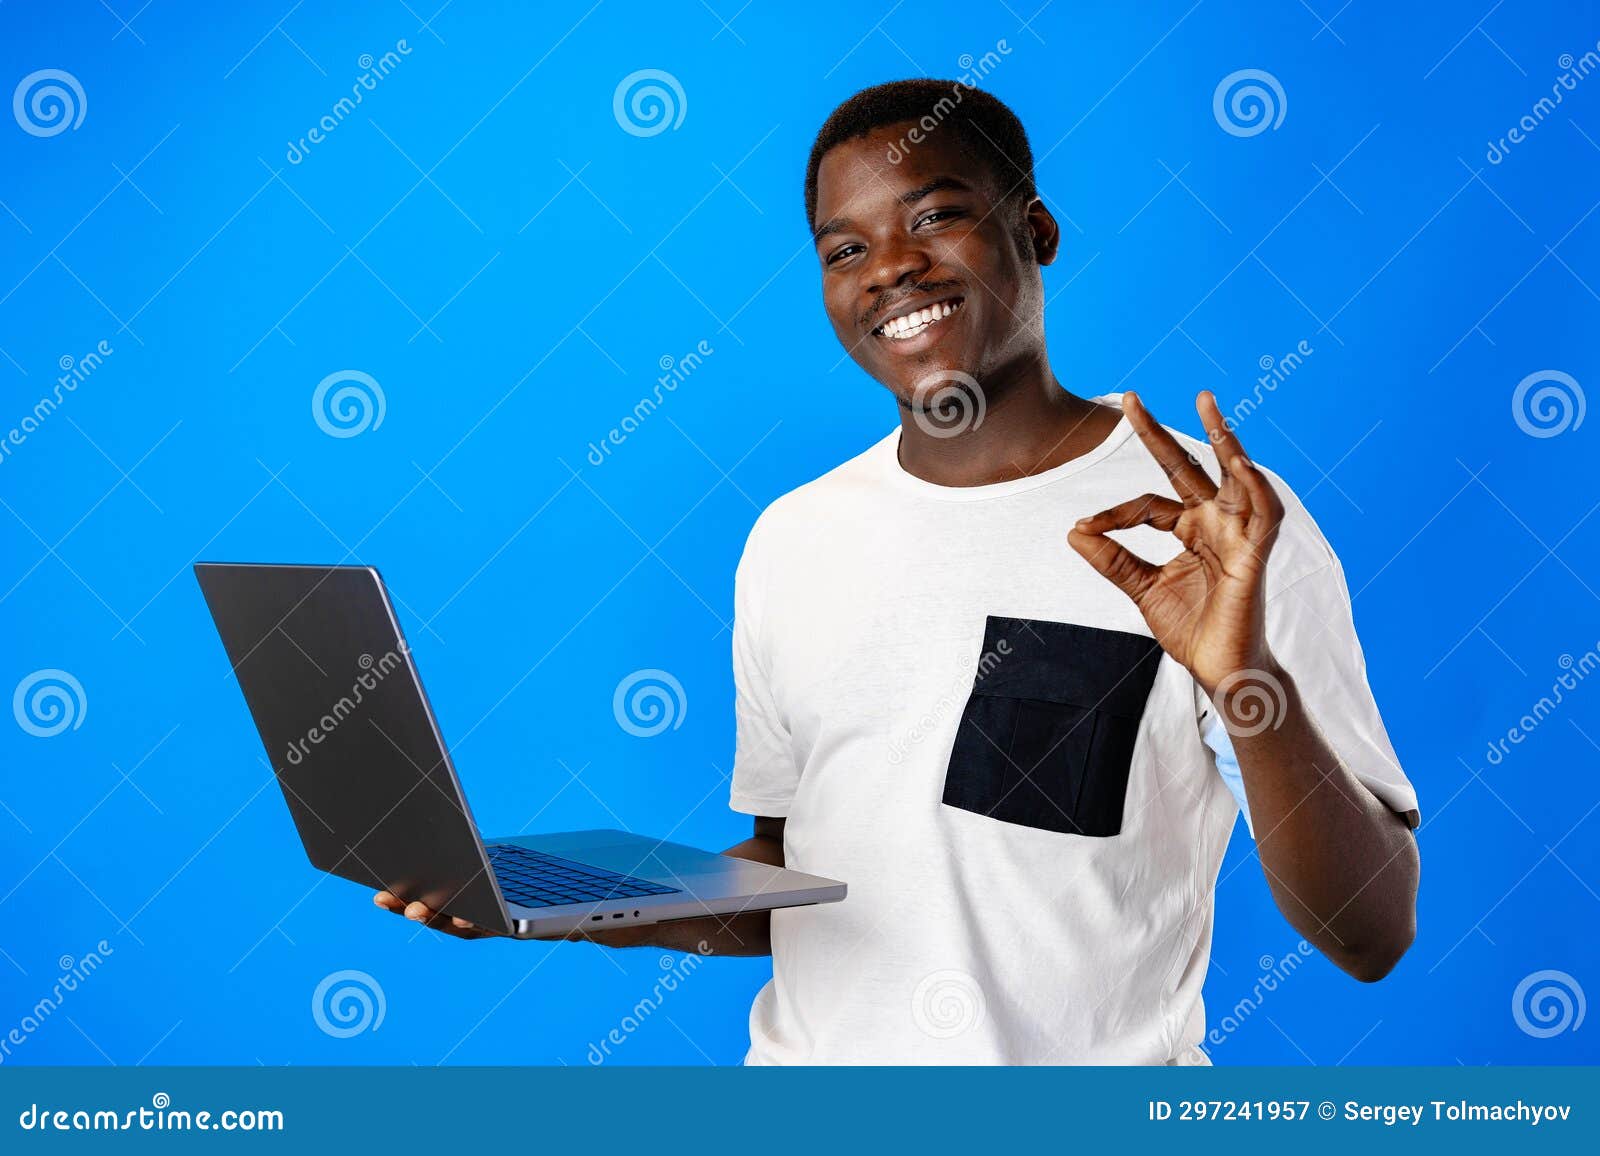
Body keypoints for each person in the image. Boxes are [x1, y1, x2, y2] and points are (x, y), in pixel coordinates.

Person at [377, 79, 1421, 1065]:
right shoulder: (795, 537)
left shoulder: (1212, 526)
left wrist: (1249, 681)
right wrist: (572, 901)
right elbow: (802, 887)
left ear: (1036, 231)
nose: (889, 267)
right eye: (844, 247)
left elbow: (1369, 931)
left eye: (934, 217)